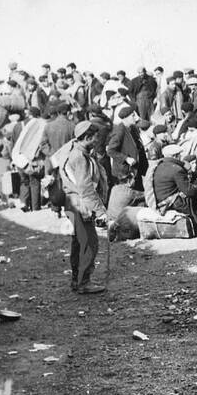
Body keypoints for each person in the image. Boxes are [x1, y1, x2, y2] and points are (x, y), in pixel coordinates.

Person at [59, 120, 110, 294]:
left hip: (72, 201)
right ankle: (83, 282)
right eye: (95, 137)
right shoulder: (79, 157)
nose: (97, 140)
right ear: (87, 137)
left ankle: (77, 280)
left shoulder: (75, 150)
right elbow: (85, 188)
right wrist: (100, 211)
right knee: (89, 243)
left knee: (79, 242)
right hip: (80, 204)